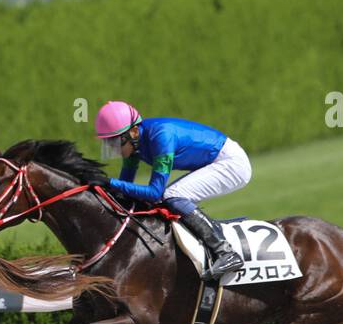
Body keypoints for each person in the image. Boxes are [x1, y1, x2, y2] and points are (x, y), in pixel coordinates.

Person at [95, 100, 250, 280]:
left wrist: (108, 182)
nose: (115, 149)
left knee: (172, 195)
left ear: (134, 131)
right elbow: (123, 189)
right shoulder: (133, 145)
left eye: (116, 142)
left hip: (232, 163)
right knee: (168, 198)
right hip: (215, 161)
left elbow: (155, 192)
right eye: (109, 143)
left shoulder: (161, 136)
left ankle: (225, 252)